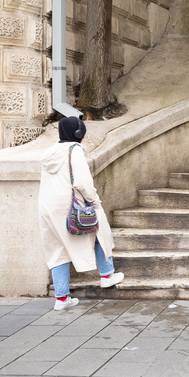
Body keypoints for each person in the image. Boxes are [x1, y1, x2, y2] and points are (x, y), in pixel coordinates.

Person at [38, 116, 123, 310]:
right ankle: (107, 274)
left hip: (46, 208)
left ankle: (61, 299)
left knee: (57, 249)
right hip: (70, 206)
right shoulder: (74, 151)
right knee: (99, 226)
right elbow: (83, 183)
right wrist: (95, 202)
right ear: (79, 133)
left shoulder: (49, 153)